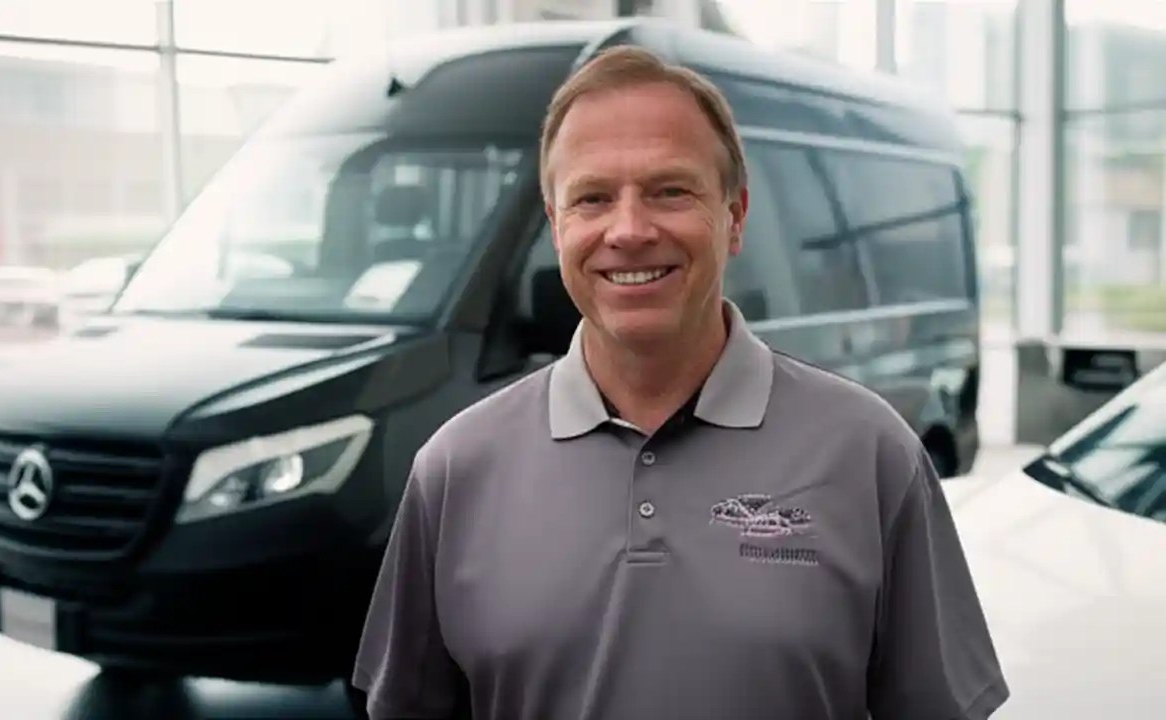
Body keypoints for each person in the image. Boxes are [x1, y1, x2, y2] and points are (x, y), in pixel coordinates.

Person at [351, 45, 1008, 720]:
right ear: (557, 225)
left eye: (671, 191)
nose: (629, 230)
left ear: (735, 216)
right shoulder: (457, 471)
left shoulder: (870, 454)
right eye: (593, 198)